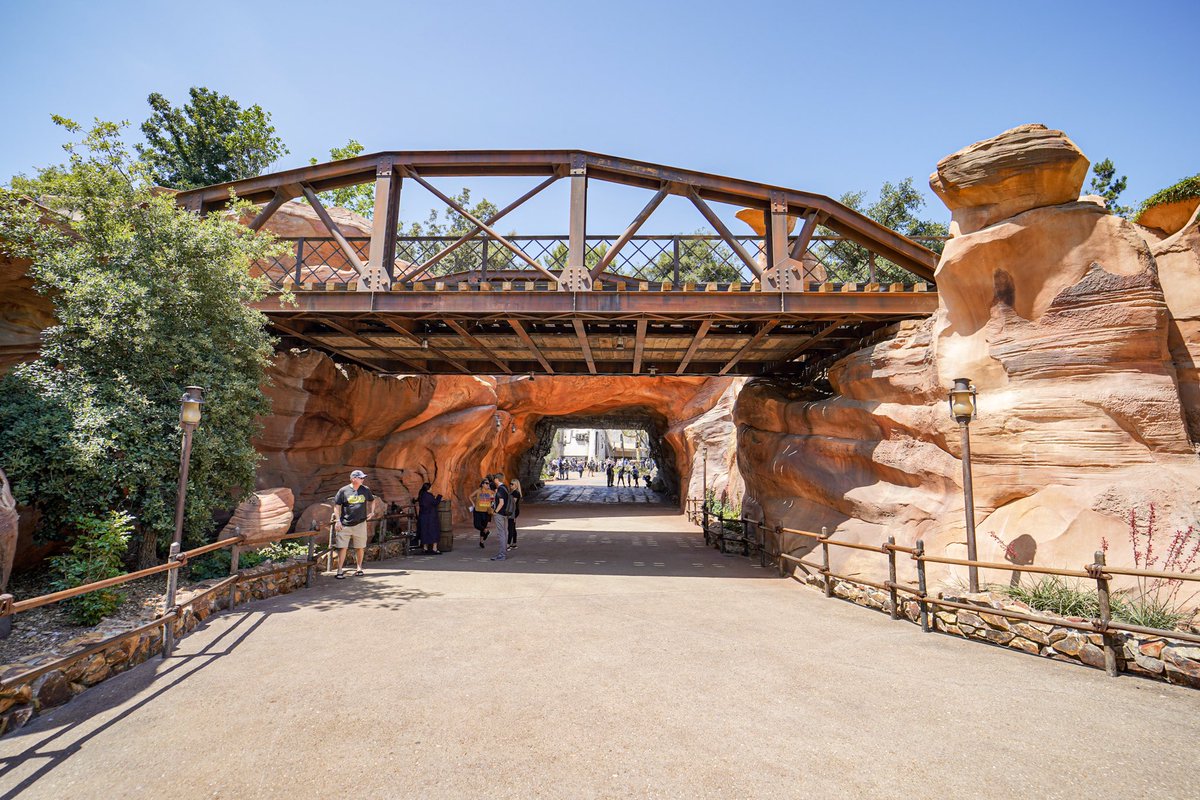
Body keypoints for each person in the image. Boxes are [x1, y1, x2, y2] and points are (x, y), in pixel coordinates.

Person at [332, 469, 375, 579]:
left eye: (363, 477)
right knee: (342, 547)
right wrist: (337, 520)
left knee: (360, 547)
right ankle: (340, 570)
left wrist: (372, 512)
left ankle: (359, 568)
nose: (363, 479)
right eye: (361, 478)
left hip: (360, 523)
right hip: (345, 524)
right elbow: (337, 505)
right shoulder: (344, 490)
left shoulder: (365, 490)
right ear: (353, 479)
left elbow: (372, 500)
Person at [416, 482, 443, 554]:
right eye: (431, 488)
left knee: (424, 532)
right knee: (434, 531)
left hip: (423, 517)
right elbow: (435, 503)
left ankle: (425, 548)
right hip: (431, 517)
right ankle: (434, 548)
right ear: (428, 489)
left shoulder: (421, 495)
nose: (432, 489)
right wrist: (439, 496)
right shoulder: (429, 496)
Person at [491, 472, 511, 561]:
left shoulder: (500, 489)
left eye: (494, 479)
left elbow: (501, 503)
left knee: (501, 534)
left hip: (500, 514)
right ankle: (502, 553)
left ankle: (502, 554)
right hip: (504, 514)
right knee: (503, 533)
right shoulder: (505, 487)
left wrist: (495, 511)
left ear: (496, 479)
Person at [470, 477, 495, 548]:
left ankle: (481, 541)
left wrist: (492, 503)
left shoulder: (490, 492)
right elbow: (470, 496)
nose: (488, 485)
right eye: (486, 483)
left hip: (486, 512)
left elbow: (494, 498)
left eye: (488, 483)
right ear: (482, 484)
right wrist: (473, 504)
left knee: (483, 525)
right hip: (477, 511)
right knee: (477, 525)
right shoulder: (478, 491)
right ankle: (486, 531)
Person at [507, 478, 523, 549]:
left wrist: (512, 515)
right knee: (512, 527)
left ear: (516, 485)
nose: (510, 485)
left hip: (513, 512)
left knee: (510, 527)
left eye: (512, 484)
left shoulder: (515, 493)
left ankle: (508, 544)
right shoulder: (513, 492)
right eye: (510, 483)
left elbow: (513, 504)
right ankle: (514, 543)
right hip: (513, 511)